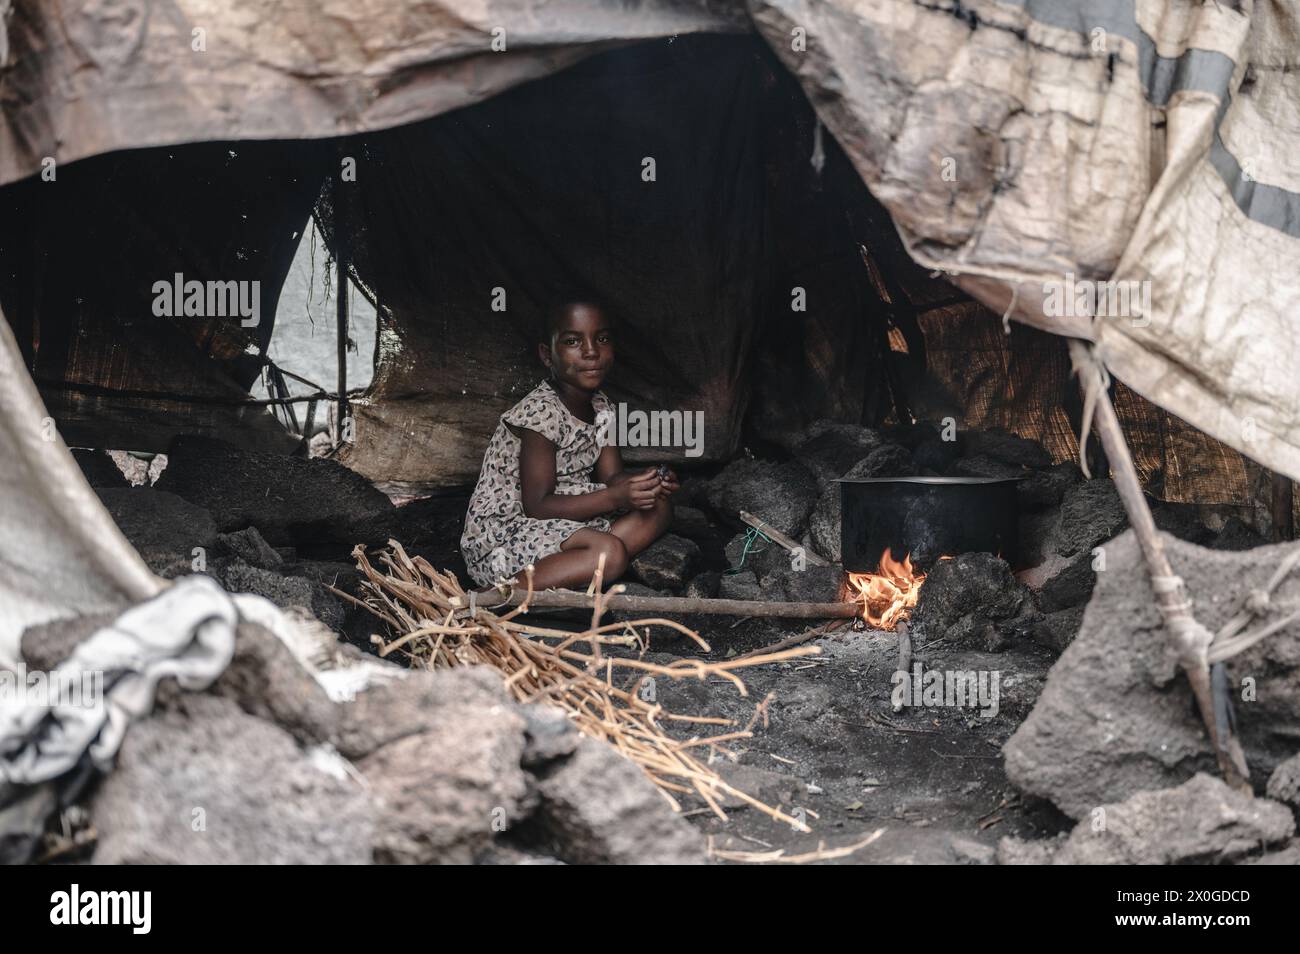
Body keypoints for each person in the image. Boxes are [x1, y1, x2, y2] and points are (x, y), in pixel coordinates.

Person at [461, 298, 677, 590]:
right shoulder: (540, 413)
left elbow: (612, 477)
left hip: (564, 516)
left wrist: (646, 482)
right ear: (547, 355)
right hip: (508, 533)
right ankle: (495, 596)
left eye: (602, 339)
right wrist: (616, 498)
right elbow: (537, 506)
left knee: (658, 507)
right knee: (609, 553)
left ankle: (570, 571)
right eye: (573, 341)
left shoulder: (602, 407)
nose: (591, 351)